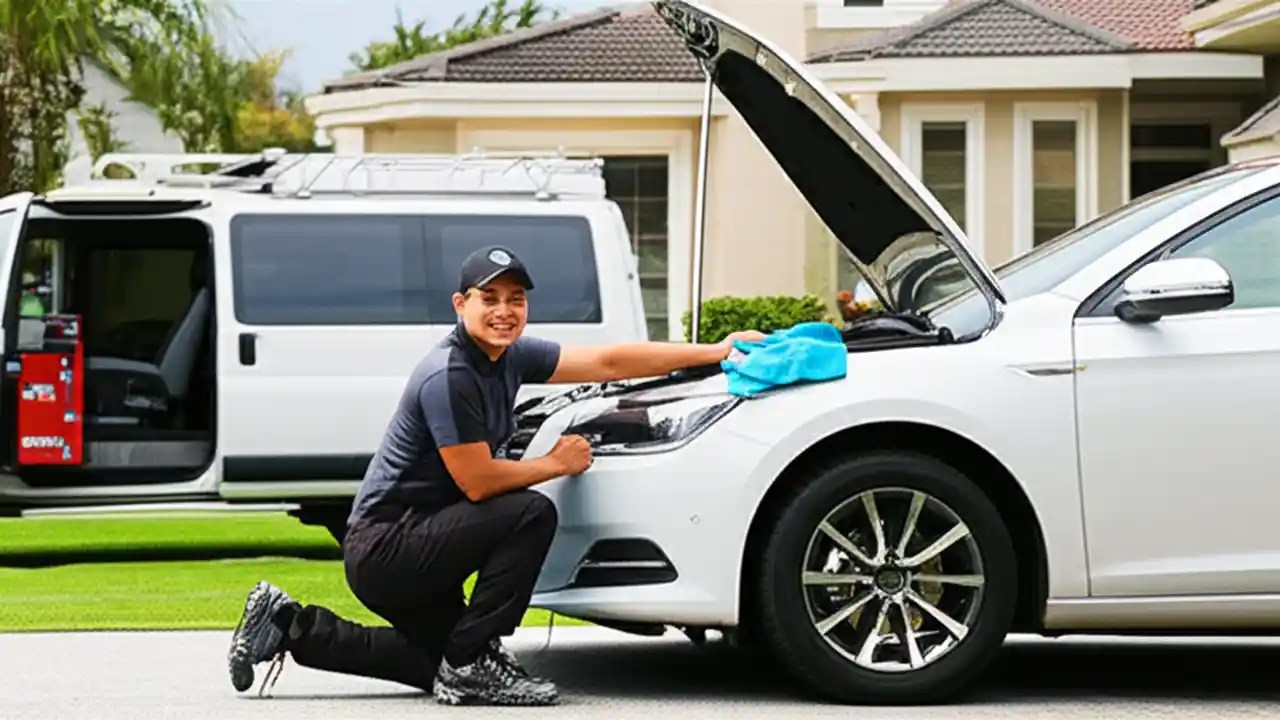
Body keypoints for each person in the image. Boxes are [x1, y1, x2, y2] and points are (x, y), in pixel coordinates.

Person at [225, 245, 764, 706]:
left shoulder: (508, 355)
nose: (504, 310)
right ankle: (473, 658)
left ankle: (288, 624)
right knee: (529, 511)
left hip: (412, 540)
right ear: (461, 305)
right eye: (490, 299)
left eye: (516, 299)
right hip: (388, 548)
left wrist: (716, 353)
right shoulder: (450, 375)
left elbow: (605, 362)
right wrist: (555, 463)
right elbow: (478, 485)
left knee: (431, 665)